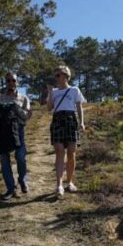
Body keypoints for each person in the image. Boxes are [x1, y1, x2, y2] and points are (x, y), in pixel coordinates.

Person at [47, 65, 86, 197]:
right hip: (57, 120)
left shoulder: (74, 90)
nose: (56, 78)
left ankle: (69, 182)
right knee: (59, 152)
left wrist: (81, 122)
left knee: (71, 153)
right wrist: (50, 93)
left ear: (66, 76)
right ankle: (59, 185)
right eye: (55, 75)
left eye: (58, 75)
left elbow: (79, 107)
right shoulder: (55, 92)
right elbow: (49, 108)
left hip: (71, 120)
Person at [0, 72, 32, 200]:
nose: (11, 83)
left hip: (18, 130)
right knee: (4, 160)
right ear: (6, 82)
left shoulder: (23, 98)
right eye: (8, 81)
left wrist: (17, 110)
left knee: (20, 157)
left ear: (17, 82)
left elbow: (28, 116)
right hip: (3, 130)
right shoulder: (0, 98)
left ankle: (22, 179)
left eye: (13, 80)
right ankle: (10, 188)